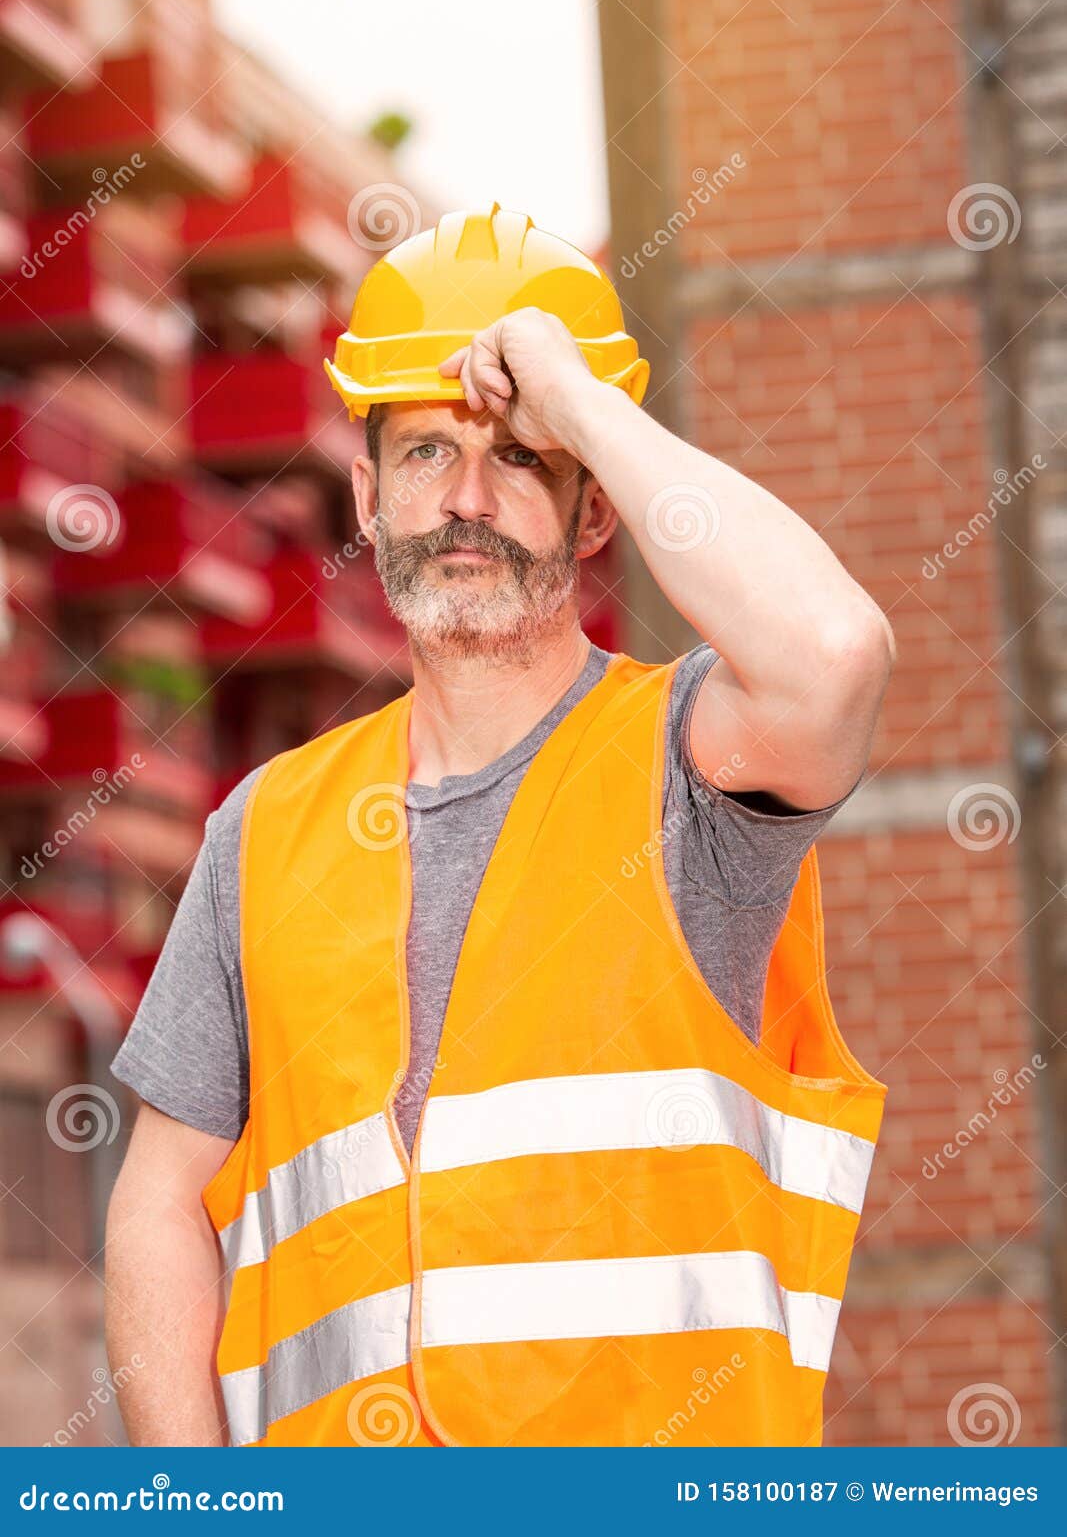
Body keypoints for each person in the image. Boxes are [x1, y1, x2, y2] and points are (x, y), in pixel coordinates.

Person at [104, 205, 894, 1448]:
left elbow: (835, 654)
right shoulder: (266, 829)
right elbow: (160, 1201)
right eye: (423, 454)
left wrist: (579, 407)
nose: (463, 499)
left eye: (516, 458)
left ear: (592, 514)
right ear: (364, 498)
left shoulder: (685, 764)